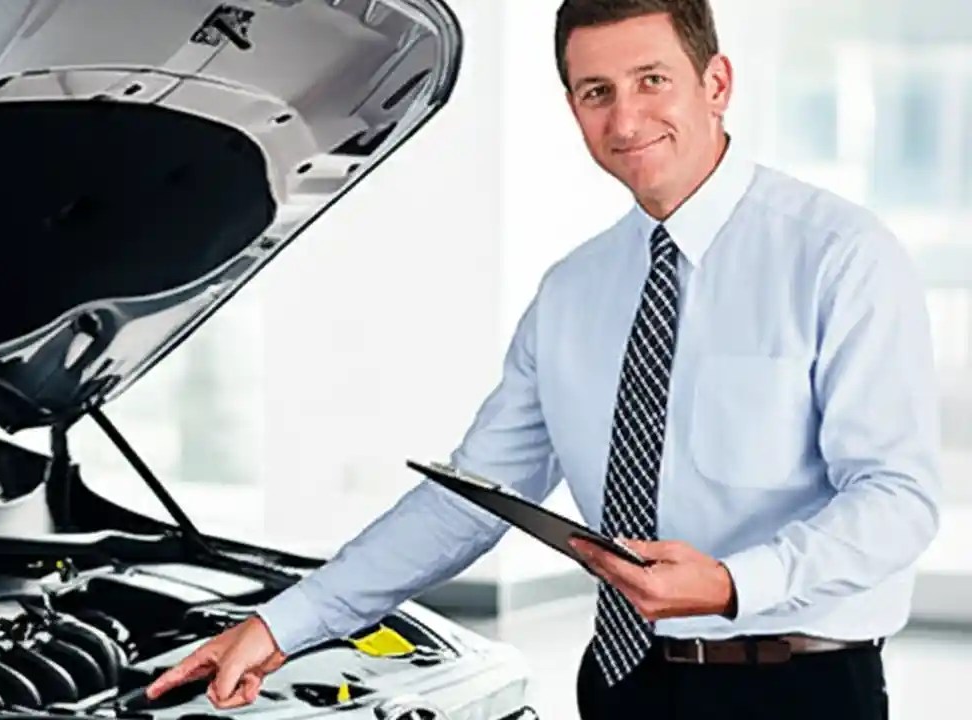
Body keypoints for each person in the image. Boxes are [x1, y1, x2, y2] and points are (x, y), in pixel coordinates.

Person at [145, 0, 942, 717]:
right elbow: (470, 500)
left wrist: (735, 584)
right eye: (597, 92)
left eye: (652, 80)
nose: (625, 120)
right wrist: (281, 625)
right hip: (622, 682)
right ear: (572, 107)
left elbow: (897, 499)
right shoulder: (572, 292)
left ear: (717, 82)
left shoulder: (840, 256)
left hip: (794, 688)